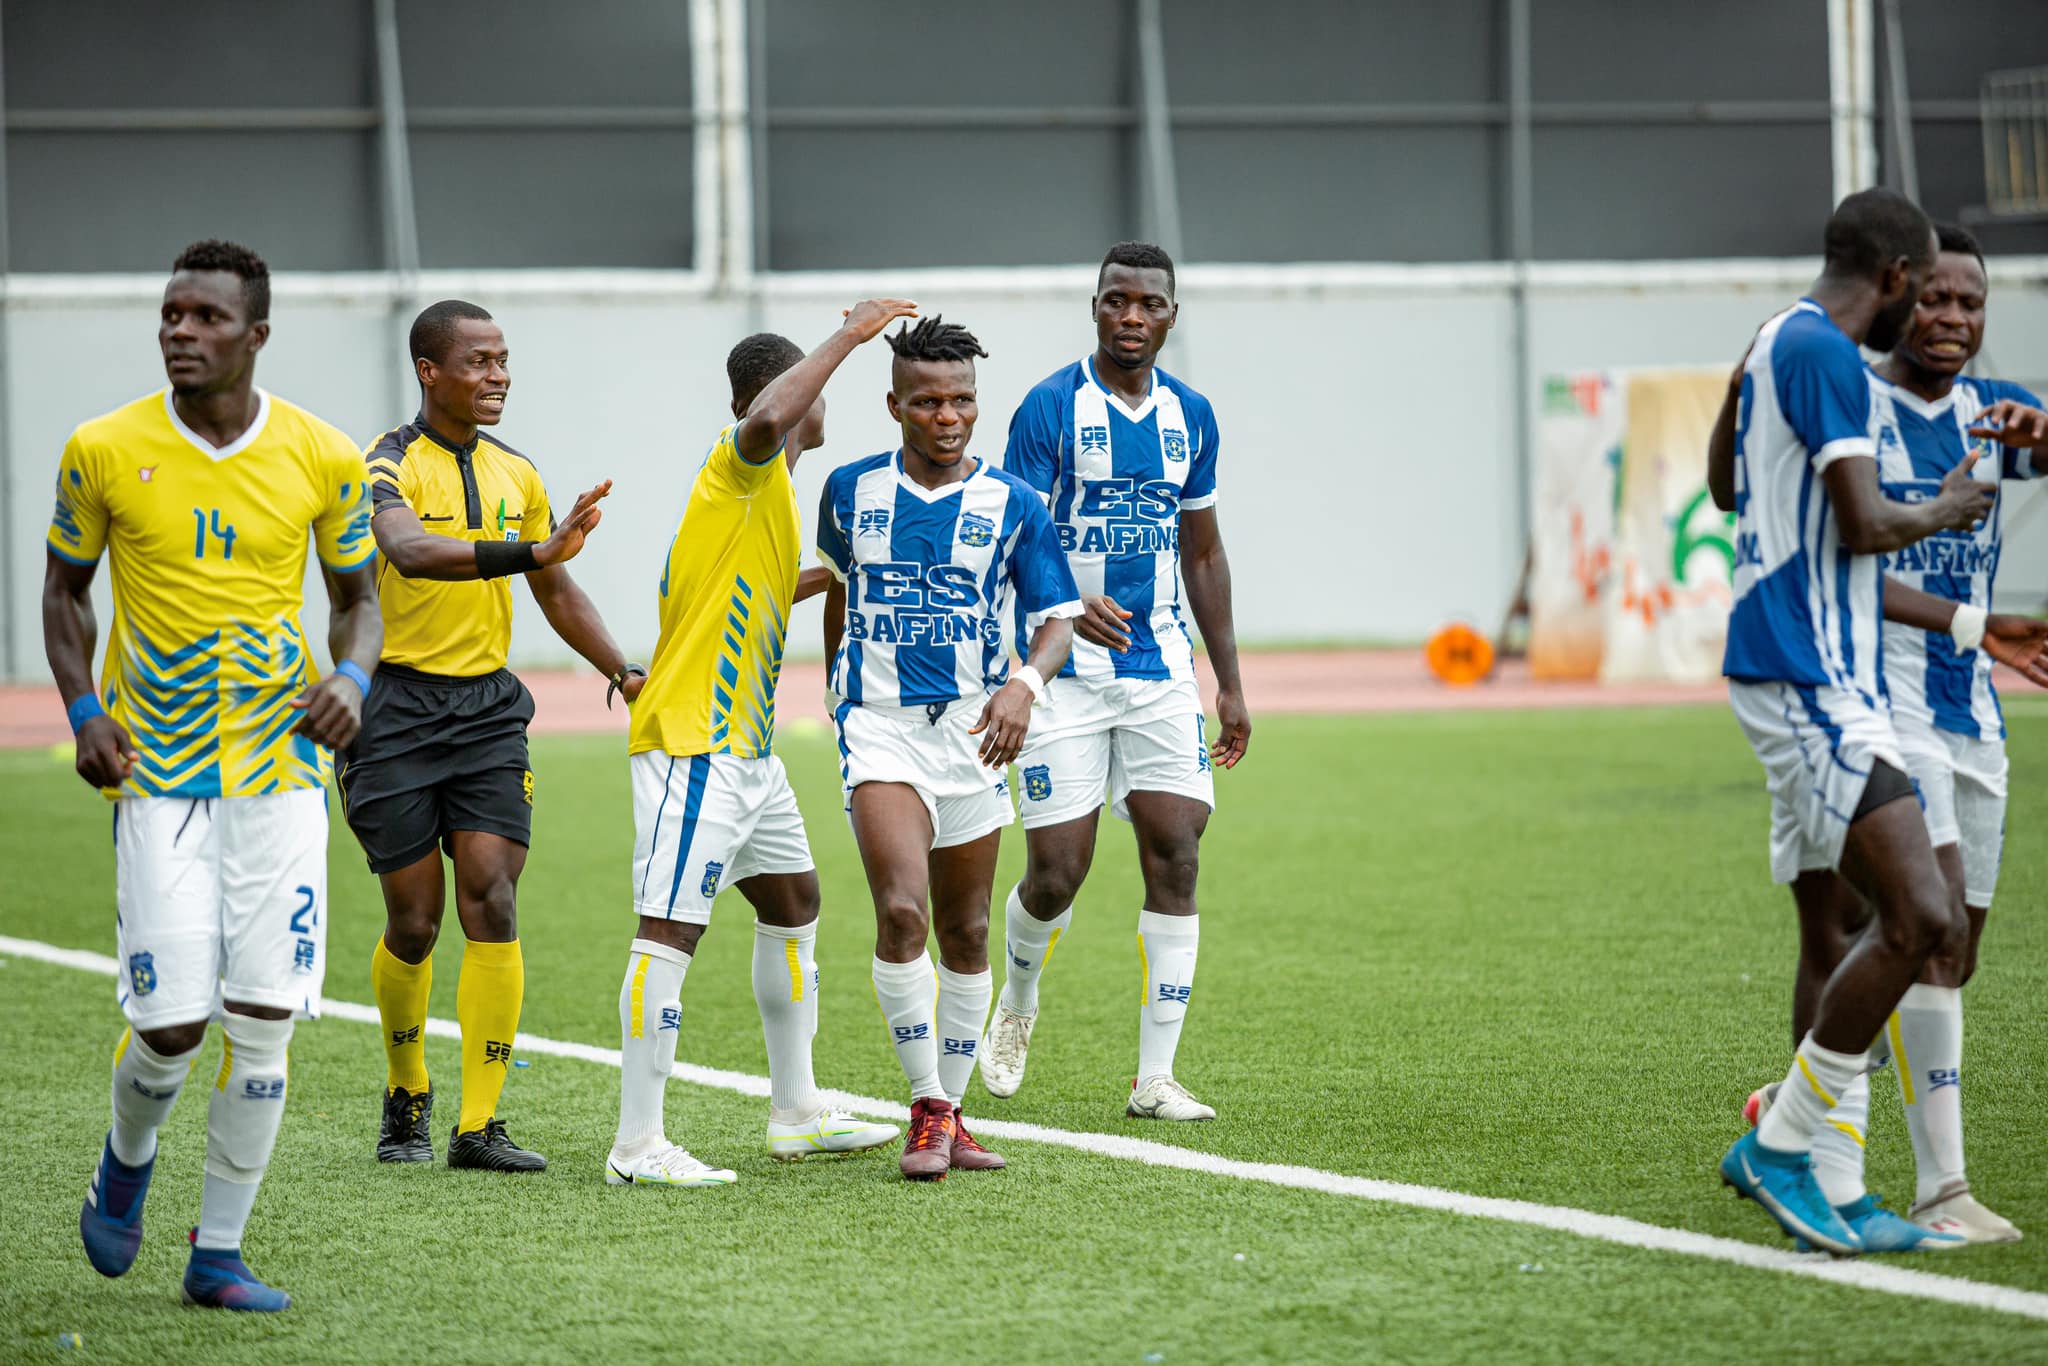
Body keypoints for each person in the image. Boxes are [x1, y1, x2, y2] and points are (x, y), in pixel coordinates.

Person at [49, 240, 382, 1310]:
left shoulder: (323, 456)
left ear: (256, 336)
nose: (179, 332)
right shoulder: (102, 449)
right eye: (170, 314)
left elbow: (358, 596)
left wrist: (353, 676)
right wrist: (85, 708)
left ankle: (218, 1252)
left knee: (265, 1015)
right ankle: (126, 1155)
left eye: (204, 317)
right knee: (171, 1028)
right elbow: (64, 595)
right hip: (160, 771)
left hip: (280, 770)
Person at [1721, 224, 2048, 1246]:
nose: (1950, 318)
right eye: (1936, 297)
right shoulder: (1842, 387)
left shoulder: (1995, 419)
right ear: (1899, 293)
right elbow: (1843, 535)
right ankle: (1920, 1184)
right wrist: (1963, 615)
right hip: (1870, 693)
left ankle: (1802, 1122)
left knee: (1941, 943)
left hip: (1970, 710)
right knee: (1914, 926)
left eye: (1971, 303)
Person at [604, 304, 915, 1187]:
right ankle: (638, 1144)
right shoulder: (740, 467)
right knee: (667, 934)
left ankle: (796, 1110)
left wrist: (866, 568)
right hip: (694, 745)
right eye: (816, 387)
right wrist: (852, 338)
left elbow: (791, 578)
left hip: (749, 752)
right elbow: (771, 418)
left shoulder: (770, 497)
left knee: (794, 906)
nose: (827, 406)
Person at [347, 300, 632, 1173]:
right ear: (430, 371)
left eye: (504, 361)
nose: (498, 375)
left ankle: (478, 1125)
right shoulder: (383, 466)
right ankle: (407, 1093)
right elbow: (410, 551)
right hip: (392, 713)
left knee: (493, 901)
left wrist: (622, 667)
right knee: (416, 922)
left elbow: (555, 590)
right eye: (479, 362)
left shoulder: (518, 472)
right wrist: (534, 554)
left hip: (486, 717)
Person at [981, 241, 1247, 1121]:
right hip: (1064, 672)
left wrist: (1229, 682)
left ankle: (1156, 1077)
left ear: (1172, 315)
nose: (1131, 317)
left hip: (1161, 667)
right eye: (1115, 301)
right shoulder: (1050, 409)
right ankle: (1016, 1005)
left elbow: (1201, 551)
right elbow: (1015, 535)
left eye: (1149, 304)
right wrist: (1067, 603)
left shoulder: (1193, 416)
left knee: (1178, 852)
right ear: (1094, 307)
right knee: (1058, 874)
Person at [817, 316, 1081, 1180]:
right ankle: (929, 1109)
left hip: (976, 728)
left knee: (967, 930)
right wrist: (838, 691)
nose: (948, 416)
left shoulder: (1015, 503)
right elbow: (839, 591)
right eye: (928, 401)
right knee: (903, 912)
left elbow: (1057, 625)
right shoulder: (850, 490)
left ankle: (950, 1112)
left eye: (962, 400)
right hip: (881, 727)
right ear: (894, 404)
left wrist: (1024, 686)